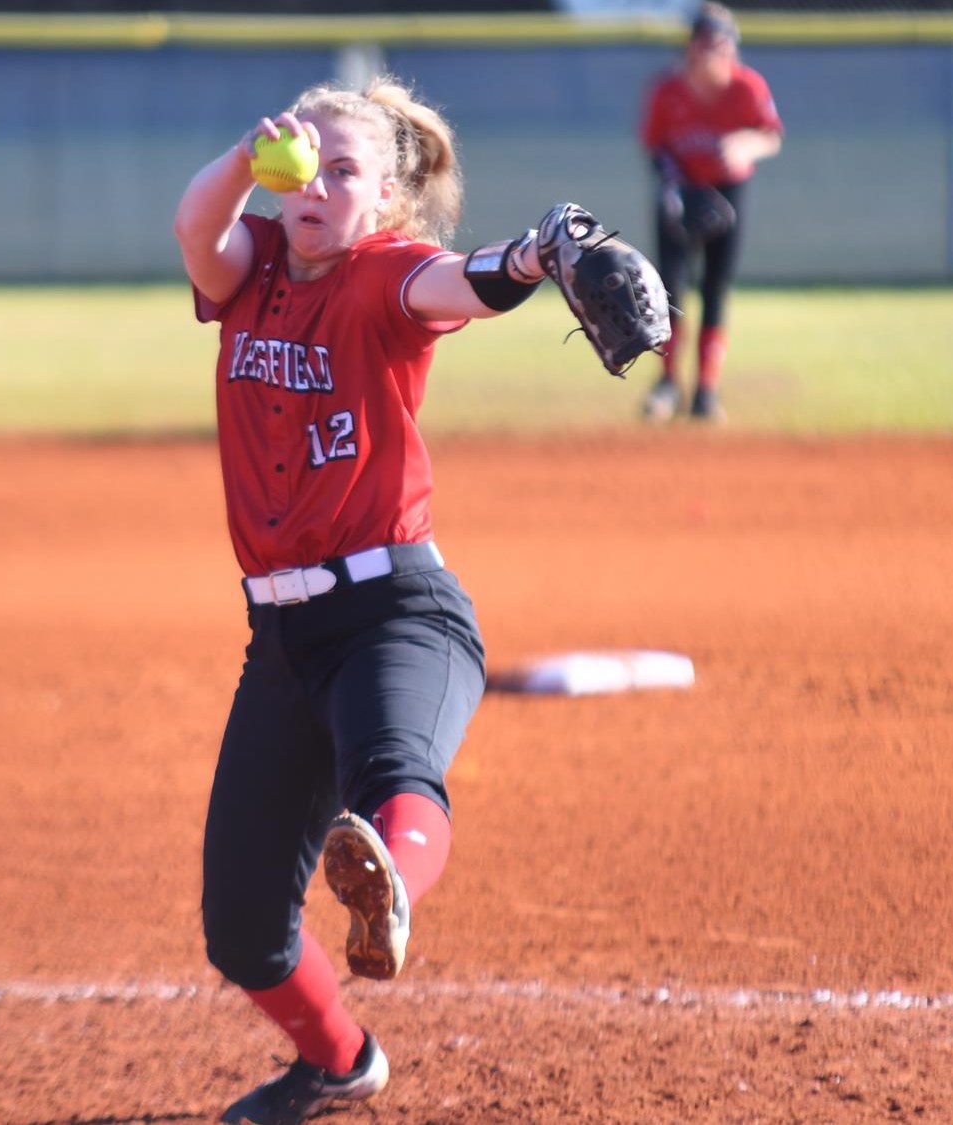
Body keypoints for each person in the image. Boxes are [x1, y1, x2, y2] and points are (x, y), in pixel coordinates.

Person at [173, 76, 640, 1125]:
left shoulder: (384, 274)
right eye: (308, 165)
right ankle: (338, 1061)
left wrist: (526, 260)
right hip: (281, 642)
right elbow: (193, 225)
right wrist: (252, 156)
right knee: (241, 932)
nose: (317, 186)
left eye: (346, 173)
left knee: (393, 774)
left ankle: (388, 888)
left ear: (383, 199)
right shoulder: (246, 270)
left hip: (396, 614)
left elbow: (458, 287)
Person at [638, 1, 783, 423]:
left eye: (717, 46)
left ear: (730, 49)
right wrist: (672, 185)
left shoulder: (747, 88)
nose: (708, 56)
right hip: (679, 190)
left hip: (727, 191)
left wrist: (744, 144)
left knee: (715, 289)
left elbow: (771, 135)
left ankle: (706, 390)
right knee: (667, 291)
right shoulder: (668, 90)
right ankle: (667, 384)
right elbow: (655, 147)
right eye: (700, 46)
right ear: (689, 50)